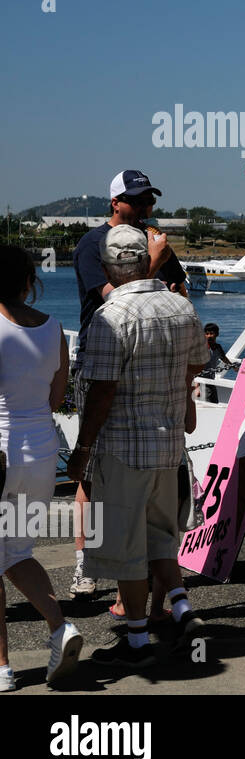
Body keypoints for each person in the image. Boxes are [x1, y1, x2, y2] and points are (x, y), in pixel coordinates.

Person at [65, 225, 208, 668]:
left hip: (124, 448)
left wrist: (82, 450)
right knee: (162, 538)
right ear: (146, 261)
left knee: (128, 550)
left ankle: (137, 642)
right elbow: (196, 365)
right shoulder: (182, 307)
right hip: (167, 447)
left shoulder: (113, 316)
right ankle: (182, 610)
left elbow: (103, 392)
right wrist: (182, 404)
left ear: (110, 267)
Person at [68, 169, 187, 600]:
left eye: (149, 201)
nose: (146, 209)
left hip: (150, 360)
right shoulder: (93, 244)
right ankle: (86, 559)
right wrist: (155, 261)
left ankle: (141, 568)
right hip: (105, 355)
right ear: (115, 202)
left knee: (143, 468)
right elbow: (111, 294)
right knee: (96, 463)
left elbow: (178, 288)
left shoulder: (150, 240)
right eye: (137, 201)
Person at [0, 246, 82, 690]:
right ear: (28, 280)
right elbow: (56, 400)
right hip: (42, 454)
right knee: (15, 554)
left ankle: (2, 668)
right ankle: (60, 628)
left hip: (3, 451)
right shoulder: (54, 330)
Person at [196, 323, 232, 402]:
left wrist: (233, 366)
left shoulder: (217, 347)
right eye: (207, 334)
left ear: (217, 334)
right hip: (201, 381)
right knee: (208, 401)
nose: (209, 336)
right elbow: (195, 365)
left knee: (214, 401)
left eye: (211, 333)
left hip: (211, 380)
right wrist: (196, 385)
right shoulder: (202, 347)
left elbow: (223, 358)